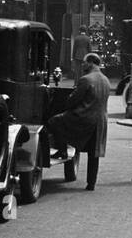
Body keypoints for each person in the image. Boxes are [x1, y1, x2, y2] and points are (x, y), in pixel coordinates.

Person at [46, 53, 110, 190]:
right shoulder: (106, 80)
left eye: (85, 62)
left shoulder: (85, 79)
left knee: (54, 121)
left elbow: (73, 100)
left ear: (91, 63)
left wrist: (68, 101)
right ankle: (91, 183)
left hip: (83, 118)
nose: (83, 65)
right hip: (100, 121)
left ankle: (62, 150)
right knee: (94, 153)